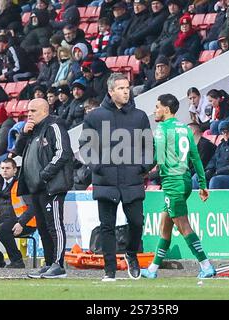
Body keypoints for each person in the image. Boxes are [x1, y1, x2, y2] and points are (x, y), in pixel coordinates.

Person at [79, 73, 153, 281]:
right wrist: (98, 166)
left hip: (132, 180)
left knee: (137, 222)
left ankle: (131, 253)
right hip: (106, 181)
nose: (126, 91)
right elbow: (85, 146)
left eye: (127, 87)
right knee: (107, 226)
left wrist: (143, 167)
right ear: (111, 92)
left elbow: (149, 146)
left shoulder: (139, 116)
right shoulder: (94, 117)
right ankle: (109, 270)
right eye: (121, 88)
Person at [140, 94, 216, 279]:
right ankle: (152, 269)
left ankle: (206, 265)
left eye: (157, 106)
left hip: (172, 182)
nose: (155, 110)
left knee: (183, 226)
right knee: (165, 226)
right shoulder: (184, 128)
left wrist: (141, 172)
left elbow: (157, 158)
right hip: (185, 179)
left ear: (166, 109)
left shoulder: (162, 129)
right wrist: (203, 184)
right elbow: (195, 157)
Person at [15, 98, 74, 279]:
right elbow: (17, 151)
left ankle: (58, 264)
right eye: (28, 112)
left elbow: (63, 152)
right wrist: (24, 134)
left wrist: (44, 175)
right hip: (35, 188)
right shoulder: (32, 131)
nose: (29, 115)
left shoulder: (54, 126)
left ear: (44, 111)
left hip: (51, 186)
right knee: (42, 227)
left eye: (33, 111)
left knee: (54, 226)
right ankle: (48, 263)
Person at [0, 158, 37, 268]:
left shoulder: (22, 185)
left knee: (1, 229)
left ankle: (17, 261)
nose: (5, 170)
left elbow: (33, 207)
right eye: (3, 168)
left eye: (8, 168)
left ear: (15, 170)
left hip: (24, 221)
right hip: (4, 219)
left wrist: (21, 223)